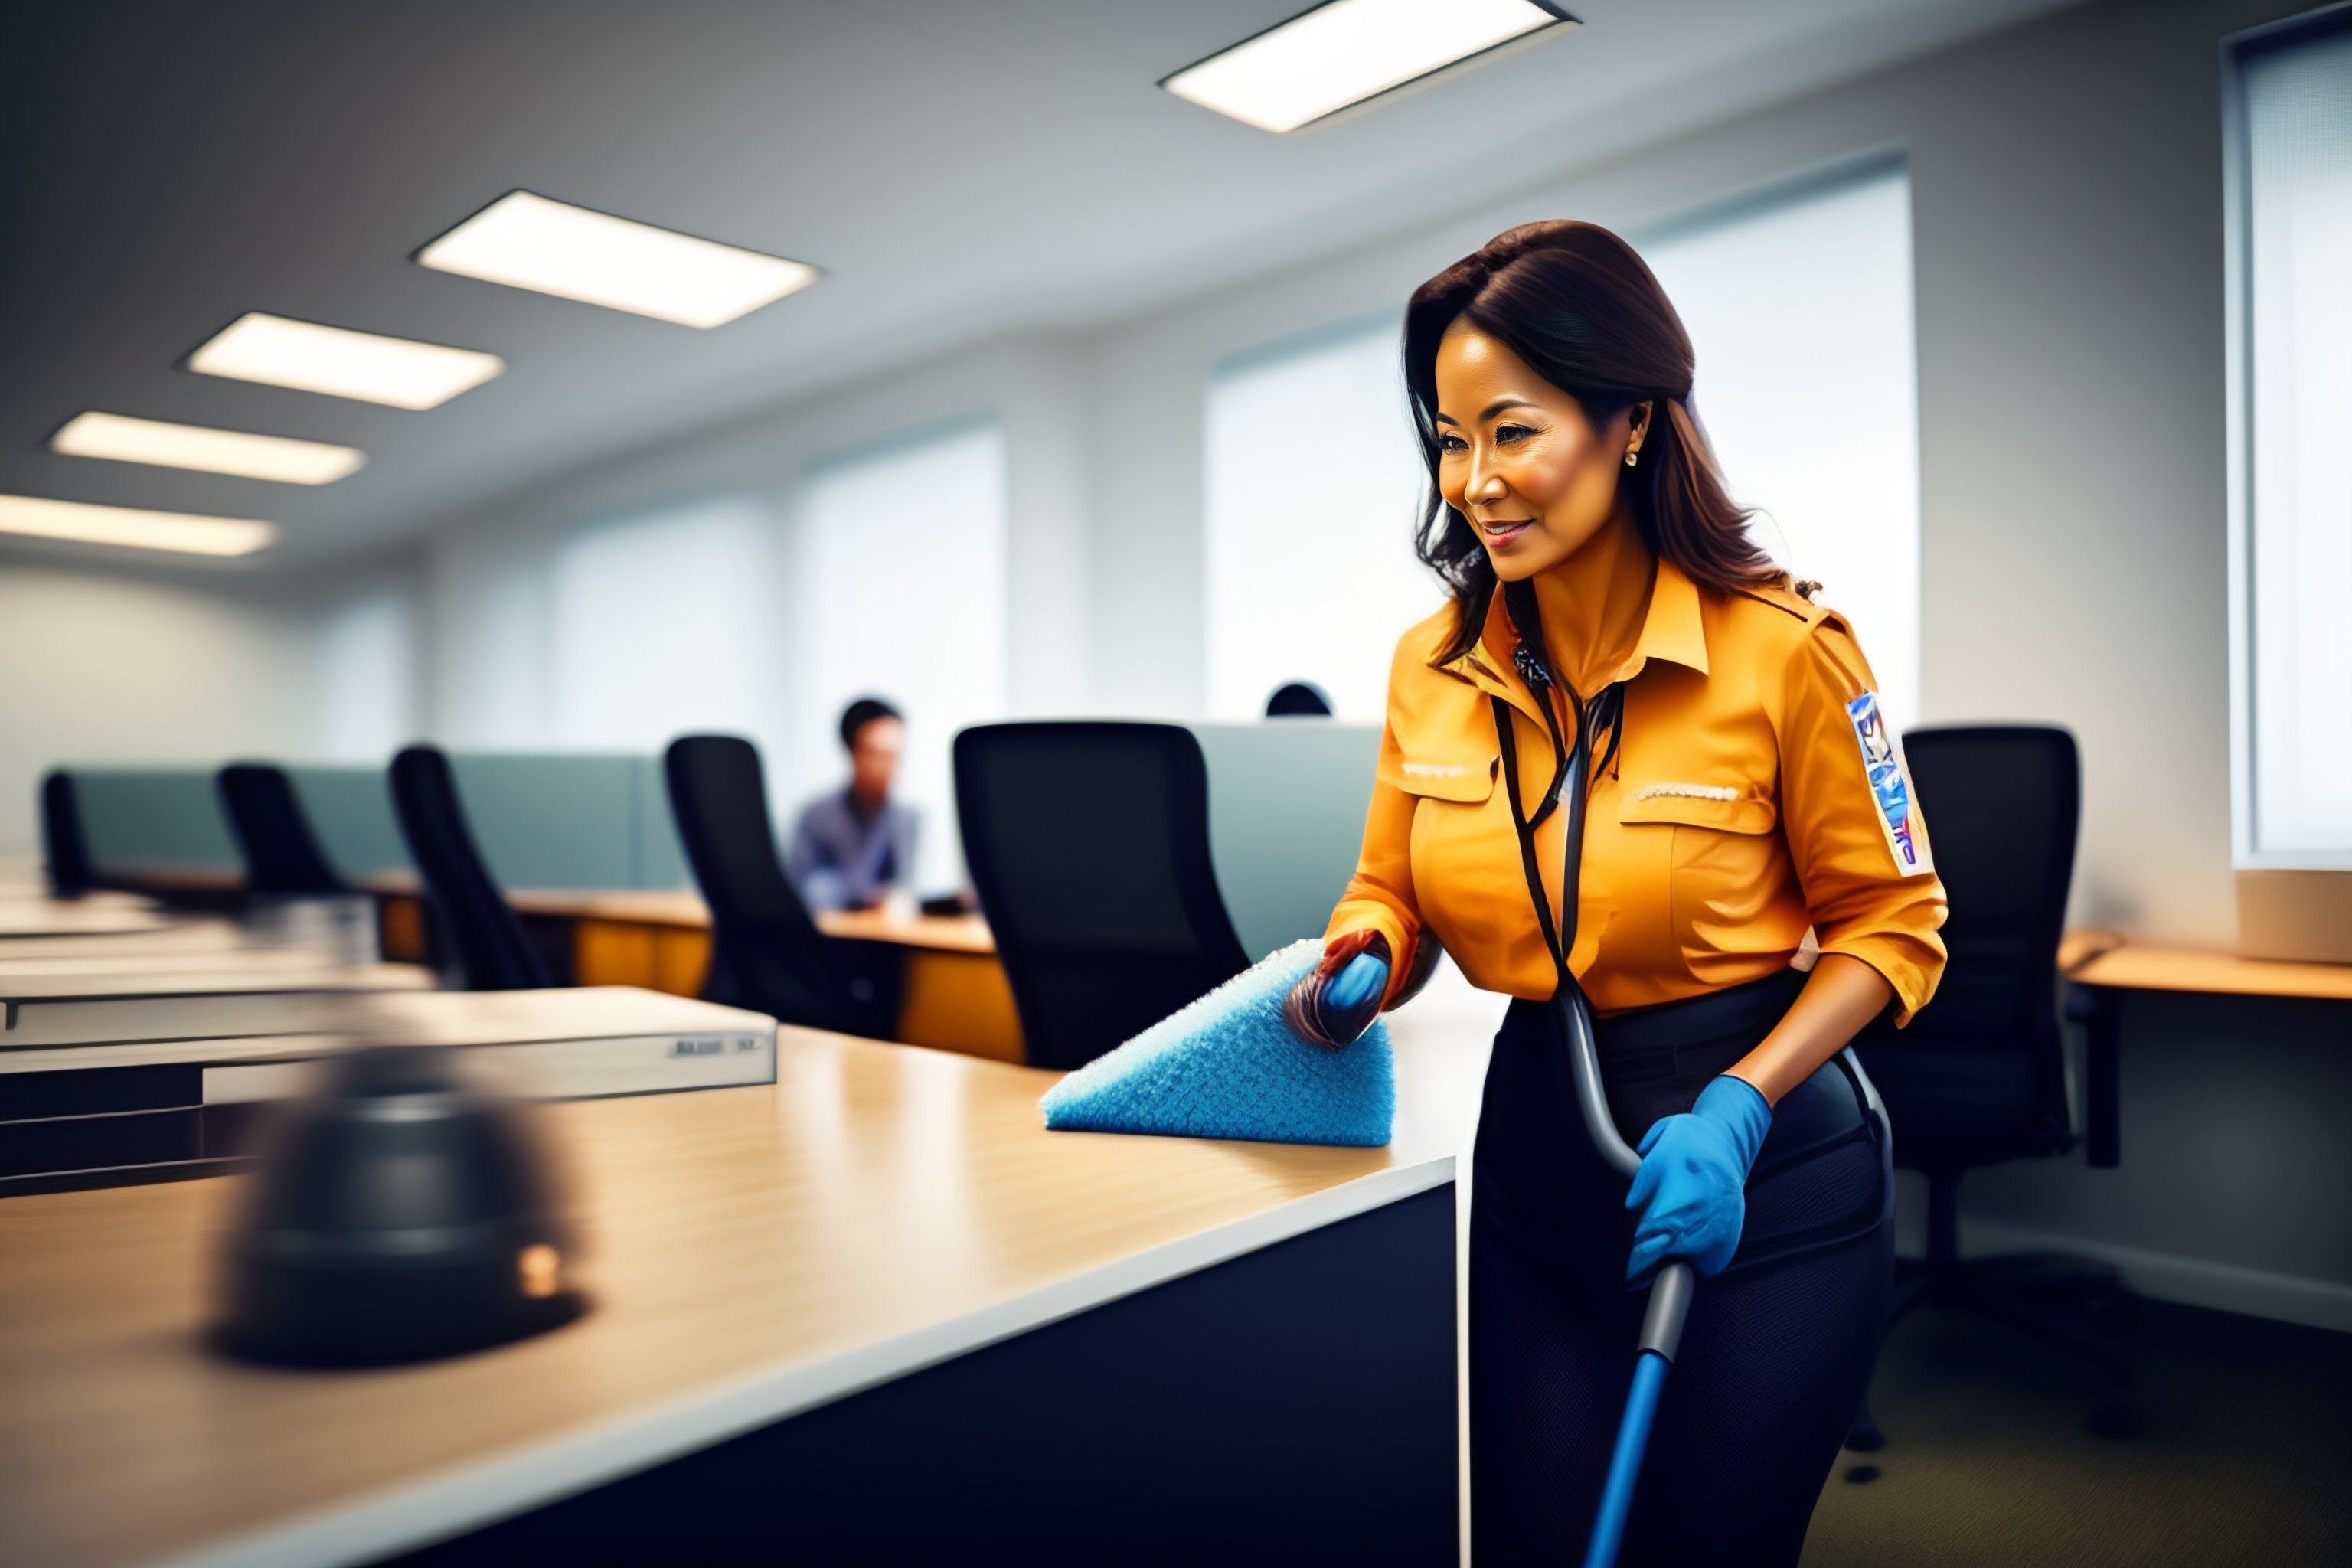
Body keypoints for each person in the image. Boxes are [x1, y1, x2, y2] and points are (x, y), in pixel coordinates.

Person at [1284, 221, 1948, 1566]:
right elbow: (1387, 885)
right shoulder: (1435, 662)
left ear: (1631, 421)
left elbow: (1895, 926)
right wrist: (1365, 953)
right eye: (1447, 438)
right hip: (1541, 1142)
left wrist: (1740, 1107)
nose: (1473, 481)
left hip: (1758, 1158)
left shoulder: (1783, 649)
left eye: (1511, 432)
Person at [787, 697, 919, 913]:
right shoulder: (816, 817)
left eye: (895, 756)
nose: (889, 767)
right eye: (877, 755)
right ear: (852, 752)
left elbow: (906, 890)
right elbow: (802, 891)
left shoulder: (906, 819)